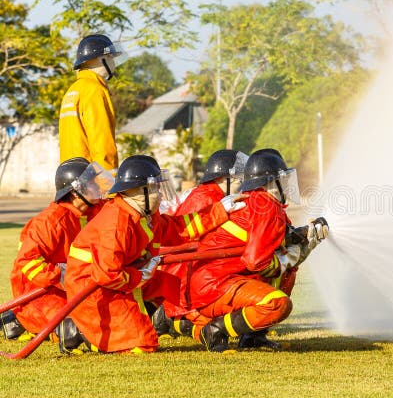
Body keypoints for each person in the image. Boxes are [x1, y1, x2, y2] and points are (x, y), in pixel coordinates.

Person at [63, 155, 245, 353]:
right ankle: (77, 330)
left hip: (124, 278)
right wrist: (140, 276)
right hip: (95, 287)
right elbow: (106, 274)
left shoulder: (143, 214)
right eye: (155, 188)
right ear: (139, 191)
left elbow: (176, 229)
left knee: (172, 285)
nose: (159, 193)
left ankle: (196, 326)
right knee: (144, 343)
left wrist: (220, 210)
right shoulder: (117, 223)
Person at [187, 148, 329, 352]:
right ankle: (216, 330)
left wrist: (305, 237)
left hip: (215, 281)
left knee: (287, 272)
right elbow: (257, 262)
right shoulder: (266, 205)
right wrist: (300, 251)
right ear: (273, 181)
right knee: (278, 303)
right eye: (284, 179)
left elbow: (281, 238)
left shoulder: (260, 201)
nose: (288, 185)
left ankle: (253, 336)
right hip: (216, 285)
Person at [1, 158, 111, 352]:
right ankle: (18, 319)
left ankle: (16, 320)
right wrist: (65, 275)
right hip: (41, 292)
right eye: (91, 183)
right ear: (75, 192)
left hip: (76, 287)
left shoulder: (92, 211)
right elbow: (27, 263)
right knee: (79, 322)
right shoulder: (51, 221)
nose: (96, 187)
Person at [152, 149, 249, 339]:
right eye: (238, 180)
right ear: (222, 178)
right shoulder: (205, 198)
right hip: (185, 278)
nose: (241, 186)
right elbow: (184, 240)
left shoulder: (213, 196)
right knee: (209, 325)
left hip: (195, 273)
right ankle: (171, 318)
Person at [59, 34, 125, 172]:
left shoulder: (74, 90)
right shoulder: (94, 90)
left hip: (72, 176)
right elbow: (101, 141)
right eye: (111, 57)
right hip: (92, 180)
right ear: (102, 59)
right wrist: (110, 180)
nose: (113, 62)